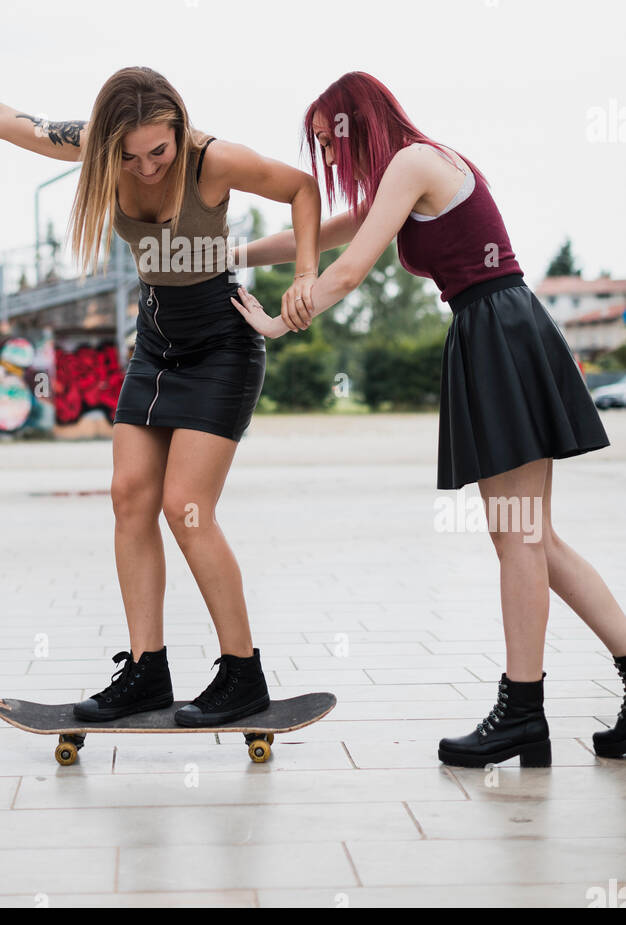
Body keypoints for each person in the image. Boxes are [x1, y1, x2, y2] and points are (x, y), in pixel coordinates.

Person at [0, 50, 321, 726]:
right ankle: (145, 672)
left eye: (157, 152)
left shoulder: (212, 160)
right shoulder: (96, 150)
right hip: (157, 345)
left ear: (178, 126)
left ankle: (242, 675)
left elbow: (302, 188)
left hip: (223, 347)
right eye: (129, 158)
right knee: (130, 496)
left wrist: (305, 273)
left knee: (185, 506)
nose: (146, 168)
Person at [231, 71, 625, 766]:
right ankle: (561, 704)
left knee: (520, 539)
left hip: (497, 329)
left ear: (361, 120)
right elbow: (321, 235)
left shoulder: (414, 163)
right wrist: (226, 255)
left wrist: (280, 320)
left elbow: (348, 271)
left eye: (330, 138)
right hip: (493, 329)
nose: (328, 156)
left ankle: (521, 713)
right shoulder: (410, 173)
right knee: (537, 540)